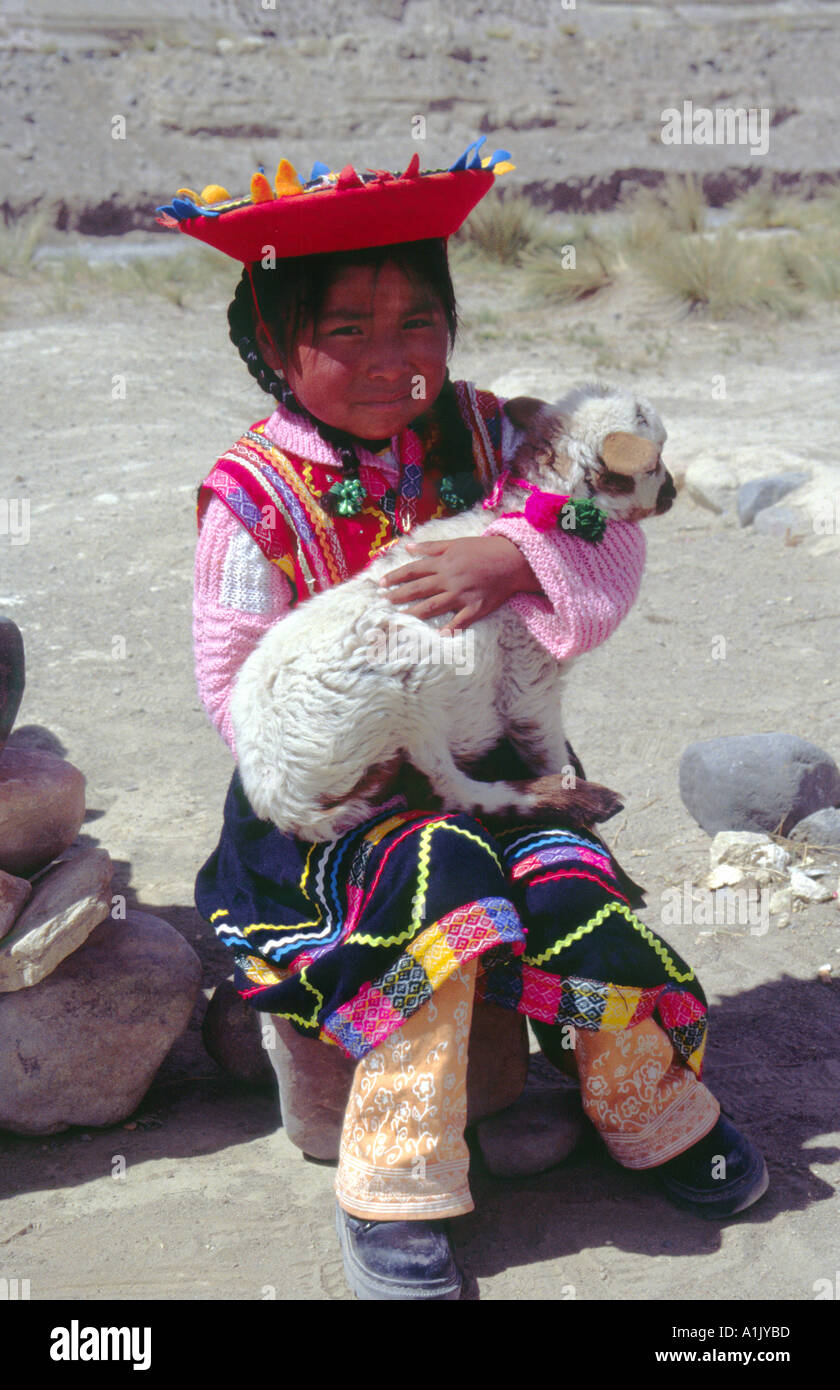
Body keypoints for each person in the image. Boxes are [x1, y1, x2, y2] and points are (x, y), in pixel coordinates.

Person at [159, 139, 769, 1301]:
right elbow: (238, 681)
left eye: (420, 324)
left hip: (490, 758)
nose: (394, 360)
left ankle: (649, 1103)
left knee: (573, 875)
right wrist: (359, 759)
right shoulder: (256, 498)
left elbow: (612, 526)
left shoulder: (496, 434)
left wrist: (514, 552)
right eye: (347, 332)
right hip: (339, 811)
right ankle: (395, 1175)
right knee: (436, 893)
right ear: (277, 348)